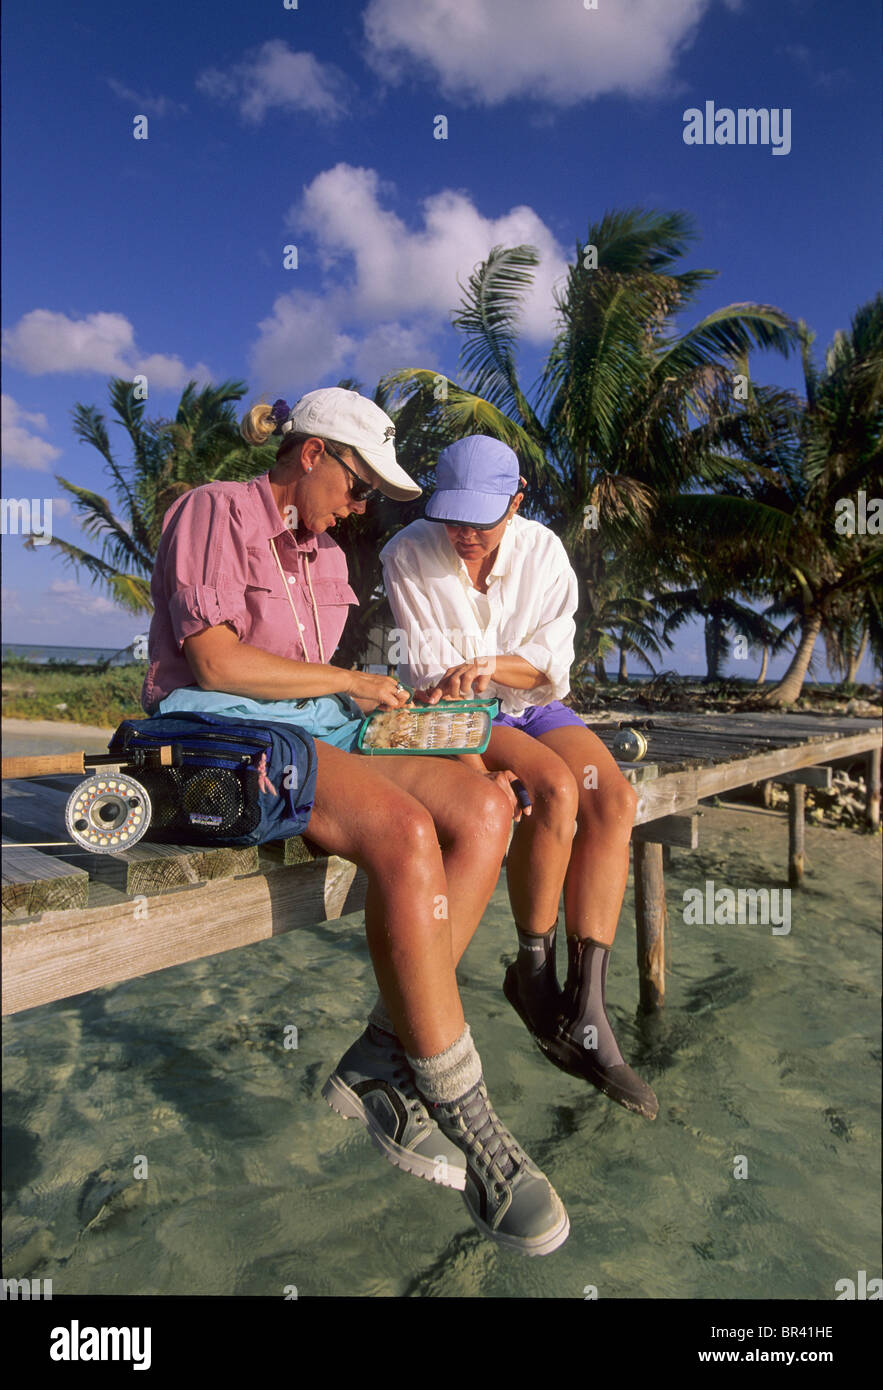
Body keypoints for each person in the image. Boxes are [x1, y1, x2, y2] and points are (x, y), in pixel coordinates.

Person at [141, 389, 570, 1255]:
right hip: (219, 733)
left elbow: (317, 683)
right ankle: (462, 1107)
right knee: (406, 834)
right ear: (312, 455)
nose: (362, 504)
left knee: (487, 807)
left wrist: (379, 700)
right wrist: (345, 683)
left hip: (310, 734)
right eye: (359, 482)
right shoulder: (211, 511)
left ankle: (382, 1049)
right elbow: (219, 662)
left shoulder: (328, 557)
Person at [380, 435, 658, 1119]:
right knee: (557, 789)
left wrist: (494, 666)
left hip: (531, 703)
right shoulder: (408, 554)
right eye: (452, 516)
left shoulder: (542, 553)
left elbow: (546, 667)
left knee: (613, 798)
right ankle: (531, 976)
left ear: (517, 500)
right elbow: (435, 686)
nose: (465, 533)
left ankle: (586, 1002)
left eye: (482, 516)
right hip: (452, 714)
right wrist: (477, 776)